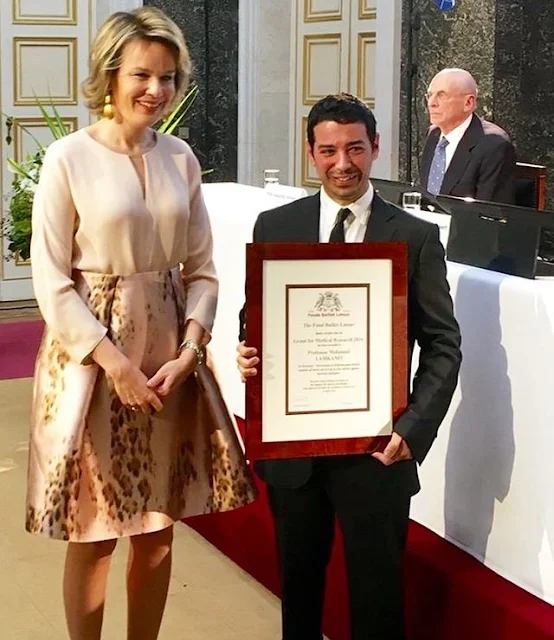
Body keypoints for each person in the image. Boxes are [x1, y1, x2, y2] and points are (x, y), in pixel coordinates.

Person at [26, 7, 256, 640]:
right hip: (92, 366)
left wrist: (191, 350)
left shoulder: (181, 158)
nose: (156, 90)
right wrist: (114, 363)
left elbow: (203, 270)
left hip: (168, 363)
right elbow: (50, 279)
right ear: (109, 75)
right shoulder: (67, 158)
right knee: (95, 533)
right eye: (142, 75)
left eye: (169, 77)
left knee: (157, 530)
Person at [237, 93, 462, 640]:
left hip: (377, 450)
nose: (344, 163)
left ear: (376, 148)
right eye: (330, 150)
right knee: (299, 594)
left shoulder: (414, 236)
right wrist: (248, 351)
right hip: (295, 451)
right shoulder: (275, 225)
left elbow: (443, 345)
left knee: (377, 598)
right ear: (311, 153)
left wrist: (413, 430)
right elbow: (255, 319)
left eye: (356, 149)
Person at [420, 68, 516, 203]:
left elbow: (487, 213)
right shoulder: (433, 134)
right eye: (429, 95)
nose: (431, 103)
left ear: (468, 103)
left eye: (441, 95)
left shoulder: (494, 145)